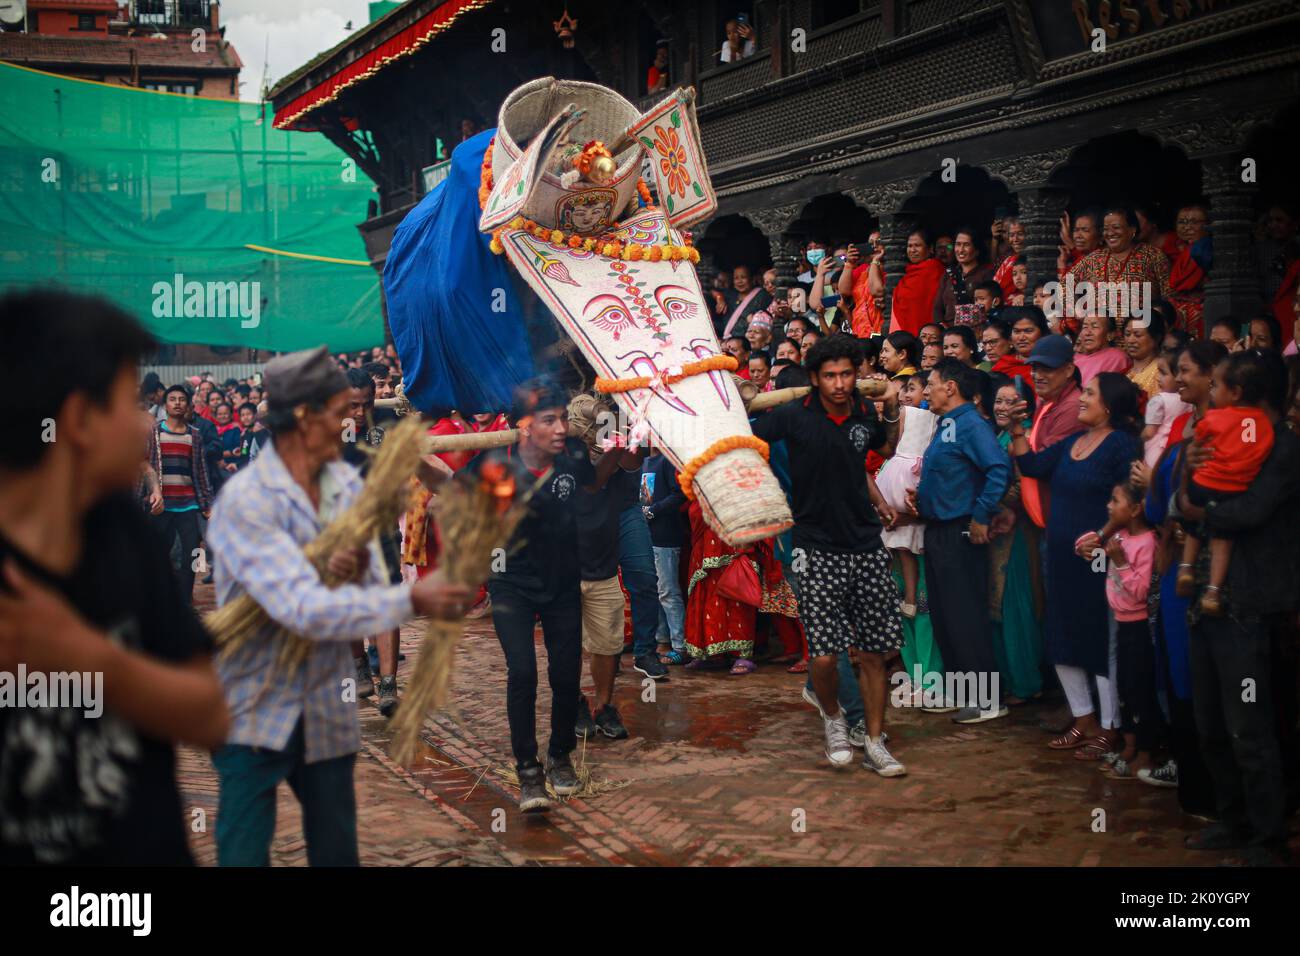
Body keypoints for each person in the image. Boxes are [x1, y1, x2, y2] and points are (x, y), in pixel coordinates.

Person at [207, 347, 472, 863]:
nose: (352, 420)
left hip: (326, 702)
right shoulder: (247, 501)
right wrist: (411, 596)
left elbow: (375, 582)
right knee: (242, 852)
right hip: (253, 704)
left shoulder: (347, 486)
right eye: (339, 410)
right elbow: (296, 608)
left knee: (336, 852)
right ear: (305, 418)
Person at [0, 289, 229, 866]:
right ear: (78, 420)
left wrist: (91, 658)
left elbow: (211, 712)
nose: (142, 427)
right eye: (131, 405)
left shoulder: (121, 532)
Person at [751, 335, 907, 775]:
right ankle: (834, 718)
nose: (839, 383)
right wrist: (741, 399)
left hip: (866, 544)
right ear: (815, 379)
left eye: (846, 374)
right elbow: (744, 435)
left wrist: (891, 407)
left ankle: (875, 742)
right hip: (814, 547)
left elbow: (882, 448)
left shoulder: (861, 410)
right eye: (829, 376)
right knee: (823, 655)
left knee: (876, 653)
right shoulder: (792, 416)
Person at [1178, 349, 1296, 865]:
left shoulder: (1286, 448)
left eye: (1220, 385)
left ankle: (1268, 834)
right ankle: (1234, 817)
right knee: (1211, 720)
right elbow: (1189, 502)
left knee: (1250, 724)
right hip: (1210, 597)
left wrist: (1202, 509)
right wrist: (1191, 482)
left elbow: (1248, 512)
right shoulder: (1223, 435)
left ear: (1241, 394)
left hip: (1251, 598)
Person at [1010, 373, 1143, 759]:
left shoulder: (1121, 444)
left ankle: (1110, 725)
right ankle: (1082, 717)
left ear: (1110, 405)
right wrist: (1018, 430)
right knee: (1062, 634)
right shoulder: (1074, 442)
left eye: (1089, 393)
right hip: (1063, 557)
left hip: (1099, 558)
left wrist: (1101, 535)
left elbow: (1129, 500)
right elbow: (1033, 466)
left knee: (1099, 640)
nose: (1081, 399)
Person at [912, 359, 1012, 722]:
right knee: (945, 616)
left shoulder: (971, 424)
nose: (926, 391)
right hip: (939, 530)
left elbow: (998, 468)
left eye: (932, 384)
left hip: (960, 532)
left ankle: (989, 701)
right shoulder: (948, 423)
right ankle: (963, 693)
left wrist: (982, 515)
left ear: (950, 387)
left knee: (965, 615)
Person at [1175, 353, 1275, 616]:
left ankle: (1186, 567)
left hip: (1205, 483)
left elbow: (1200, 434)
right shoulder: (1259, 423)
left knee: (1196, 526)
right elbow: (1255, 449)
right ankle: (1213, 591)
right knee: (1223, 538)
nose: (1212, 392)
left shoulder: (1217, 417)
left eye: (1216, 386)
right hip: (1233, 489)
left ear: (1235, 392)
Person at [341, 368, 405, 716]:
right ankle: (358, 663)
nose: (358, 412)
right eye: (351, 405)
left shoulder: (387, 420)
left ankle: (388, 683)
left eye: (365, 404)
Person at [1098, 479, 1162, 779]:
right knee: (1124, 686)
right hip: (1121, 624)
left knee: (1141, 690)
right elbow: (1084, 542)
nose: (1109, 506)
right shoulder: (1119, 536)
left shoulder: (1148, 542)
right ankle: (1129, 745)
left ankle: (1146, 753)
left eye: (1116, 500)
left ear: (1136, 509)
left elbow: (1141, 591)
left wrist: (1121, 563)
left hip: (1138, 627)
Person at [988, 377, 1044, 705]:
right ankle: (1010, 679)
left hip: (1018, 531)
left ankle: (1026, 682)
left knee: (1016, 605)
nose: (1003, 407)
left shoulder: (1024, 437)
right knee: (997, 607)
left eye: (1011, 402)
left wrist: (1000, 501)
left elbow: (1025, 485)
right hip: (996, 530)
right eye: (999, 401)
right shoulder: (997, 435)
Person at [147, 385, 214, 604]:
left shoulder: (194, 435)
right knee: (157, 555)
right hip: (161, 505)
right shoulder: (154, 433)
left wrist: (207, 503)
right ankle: (159, 601)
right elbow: (144, 466)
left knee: (191, 556)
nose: (177, 403)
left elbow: (201, 471)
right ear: (165, 405)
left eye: (181, 399)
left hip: (188, 504)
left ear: (188, 405)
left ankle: (185, 601)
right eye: (172, 399)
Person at [875, 373, 935, 618]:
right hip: (909, 477)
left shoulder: (906, 415)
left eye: (913, 388)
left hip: (902, 476)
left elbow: (891, 445)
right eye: (904, 389)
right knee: (903, 543)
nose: (905, 394)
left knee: (898, 543)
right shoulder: (938, 418)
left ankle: (903, 600)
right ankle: (907, 600)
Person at [643, 449, 689, 666]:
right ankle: (663, 640)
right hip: (648, 535)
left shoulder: (668, 460)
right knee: (657, 591)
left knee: (668, 592)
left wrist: (654, 511)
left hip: (666, 536)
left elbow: (680, 494)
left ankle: (680, 645)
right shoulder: (644, 461)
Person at [1141, 350, 1193, 467]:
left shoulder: (1158, 400)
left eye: (1163, 373)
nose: (1158, 378)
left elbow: (1149, 432)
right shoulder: (1189, 401)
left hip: (1155, 450)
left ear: (1177, 376)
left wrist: (1140, 437)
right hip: (1175, 449)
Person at [890, 229, 946, 335]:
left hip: (928, 332)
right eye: (910, 246)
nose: (912, 250)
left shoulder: (935, 270)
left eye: (917, 245)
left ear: (930, 249)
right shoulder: (908, 274)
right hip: (905, 331)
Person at [935, 228, 995, 327]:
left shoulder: (986, 274)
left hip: (973, 332)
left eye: (966, 245)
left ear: (976, 250)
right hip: (947, 332)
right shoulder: (948, 274)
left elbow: (989, 307)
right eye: (958, 244)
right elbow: (937, 308)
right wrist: (942, 327)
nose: (961, 250)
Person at [1073, 313, 1132, 382]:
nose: (1087, 333)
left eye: (1094, 327)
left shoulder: (1116, 358)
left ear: (1110, 335)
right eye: (1085, 327)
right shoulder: (1076, 358)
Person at [1124, 308, 1167, 399]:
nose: (1131, 340)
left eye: (1138, 335)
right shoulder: (1124, 372)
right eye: (1127, 334)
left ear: (1156, 338)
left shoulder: (1162, 372)